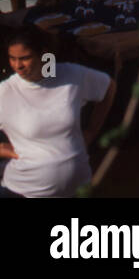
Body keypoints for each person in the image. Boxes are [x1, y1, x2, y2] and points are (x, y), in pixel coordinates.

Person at [0, 25, 116, 198]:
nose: (18, 65)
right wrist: (3, 149)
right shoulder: (5, 92)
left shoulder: (70, 75)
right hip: (23, 192)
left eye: (25, 58)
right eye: (12, 58)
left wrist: (91, 131)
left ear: (43, 54)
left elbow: (108, 87)